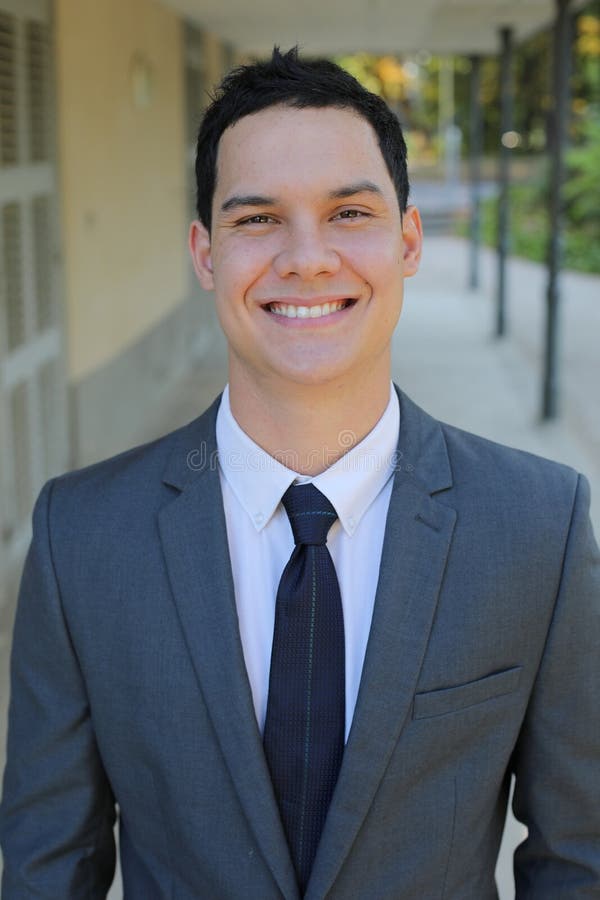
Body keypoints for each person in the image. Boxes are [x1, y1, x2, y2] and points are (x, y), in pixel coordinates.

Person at [1, 47, 599, 900]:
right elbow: (44, 869)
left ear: (408, 239)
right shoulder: (80, 539)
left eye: (349, 212)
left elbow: (580, 858)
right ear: (206, 255)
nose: (306, 257)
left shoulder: (538, 524)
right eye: (257, 220)